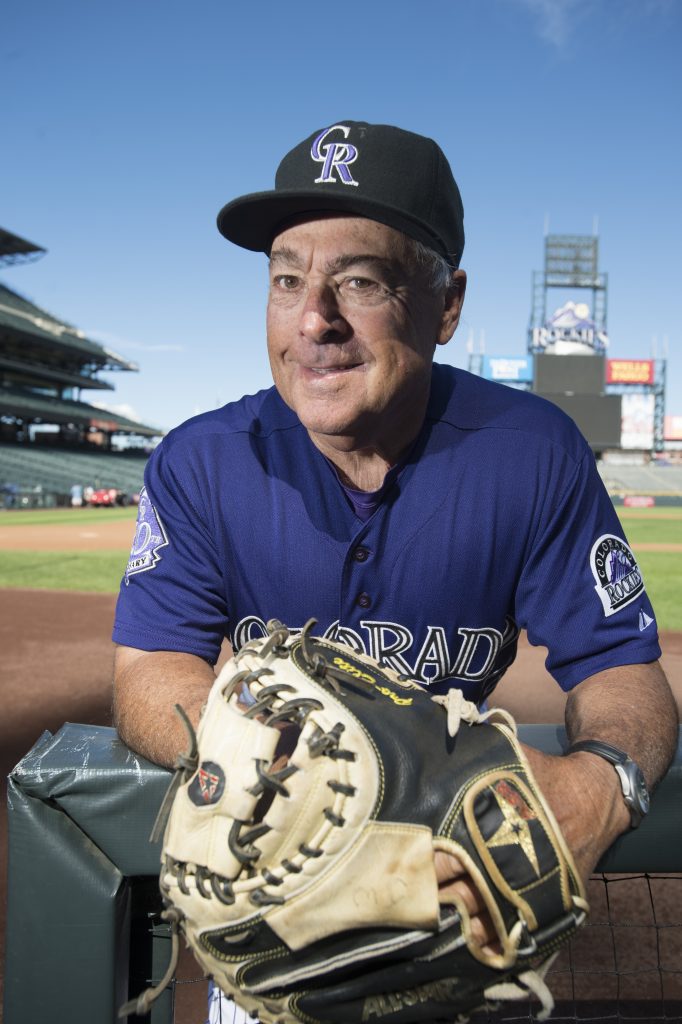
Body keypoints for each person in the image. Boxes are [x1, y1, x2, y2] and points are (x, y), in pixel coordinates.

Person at [112, 121, 678, 1021]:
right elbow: (150, 666)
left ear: (446, 306)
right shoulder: (202, 460)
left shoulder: (530, 452)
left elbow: (620, 667)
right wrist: (269, 766)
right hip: (273, 897)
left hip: (458, 914)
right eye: (287, 280)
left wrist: (605, 782)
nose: (314, 321)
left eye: (361, 281)